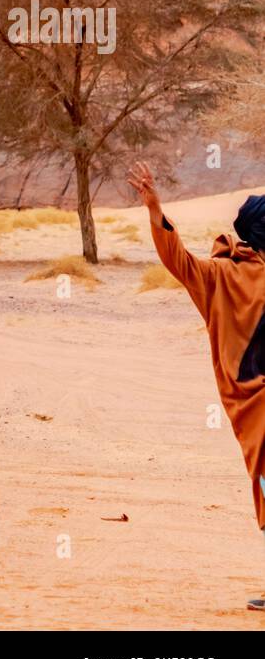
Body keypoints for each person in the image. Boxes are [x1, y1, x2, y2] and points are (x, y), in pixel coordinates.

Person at [128, 162, 265, 610]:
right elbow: (181, 261)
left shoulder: (218, 275)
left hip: (251, 408)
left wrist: (155, 211)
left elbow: (178, 261)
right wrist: (156, 210)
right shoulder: (224, 275)